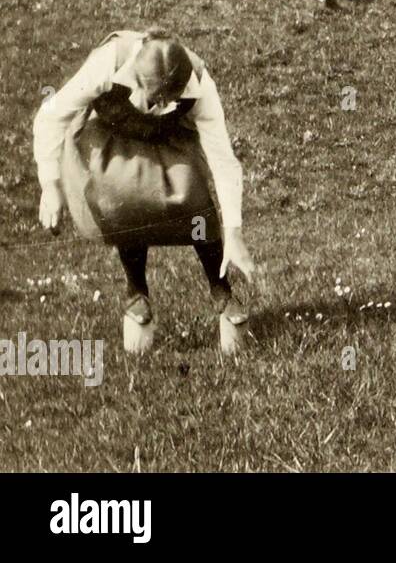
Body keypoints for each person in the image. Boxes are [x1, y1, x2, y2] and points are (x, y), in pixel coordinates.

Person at [32, 29, 256, 353]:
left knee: (193, 197)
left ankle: (221, 291)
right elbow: (50, 117)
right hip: (111, 133)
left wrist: (233, 232)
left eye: (168, 102)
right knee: (120, 197)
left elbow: (223, 159)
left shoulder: (200, 82)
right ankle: (136, 291)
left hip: (168, 139)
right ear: (134, 78)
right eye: (150, 99)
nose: (157, 107)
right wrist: (49, 185)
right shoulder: (108, 62)